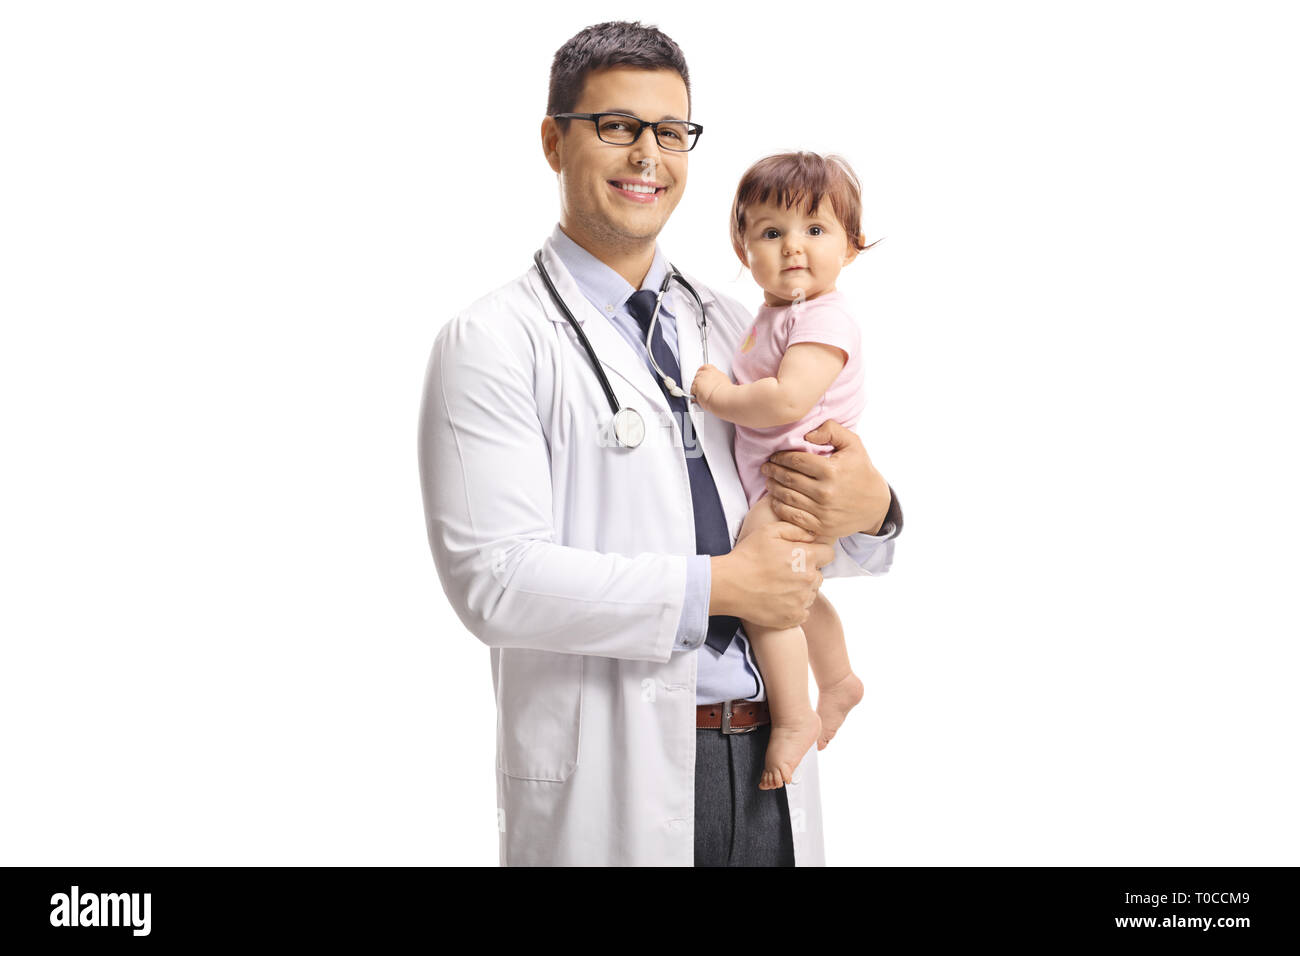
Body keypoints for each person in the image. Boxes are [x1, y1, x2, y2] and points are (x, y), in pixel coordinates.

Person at [417, 20, 903, 867]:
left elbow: (799, 518)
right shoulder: (493, 340)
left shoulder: (734, 320)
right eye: (617, 126)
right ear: (552, 142)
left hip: (769, 768)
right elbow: (492, 583)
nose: (649, 154)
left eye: (670, 132)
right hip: (620, 779)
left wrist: (877, 512)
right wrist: (721, 586)